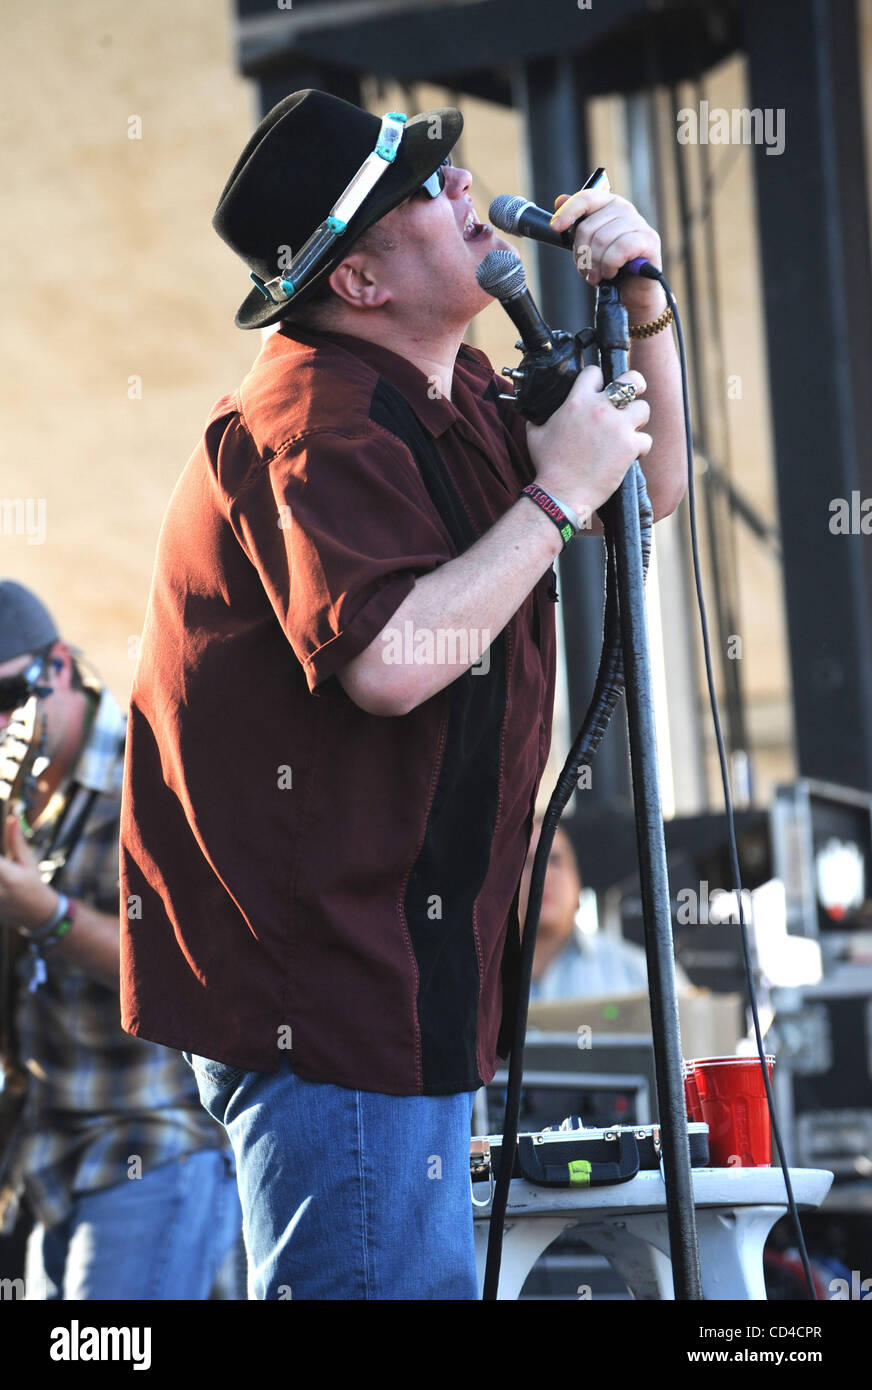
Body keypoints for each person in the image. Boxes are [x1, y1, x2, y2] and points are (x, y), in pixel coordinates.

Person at [119, 89, 686, 1300]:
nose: (463, 185)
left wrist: (642, 300)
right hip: (326, 994)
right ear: (363, 283)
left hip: (400, 975)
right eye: (425, 188)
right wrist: (552, 501)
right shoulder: (311, 419)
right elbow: (387, 660)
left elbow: (654, 483)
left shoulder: (449, 384)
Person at [0, 581, 242, 1299]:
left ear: (61, 669)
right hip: (48, 1159)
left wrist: (46, 914)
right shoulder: (23, 800)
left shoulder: (152, 774)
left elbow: (187, 963)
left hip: (152, 1144)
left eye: (8, 699)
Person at [519, 821, 689, 999]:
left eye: (555, 861)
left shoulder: (640, 974)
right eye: (526, 863)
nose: (542, 877)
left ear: (577, 880)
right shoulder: (489, 974)